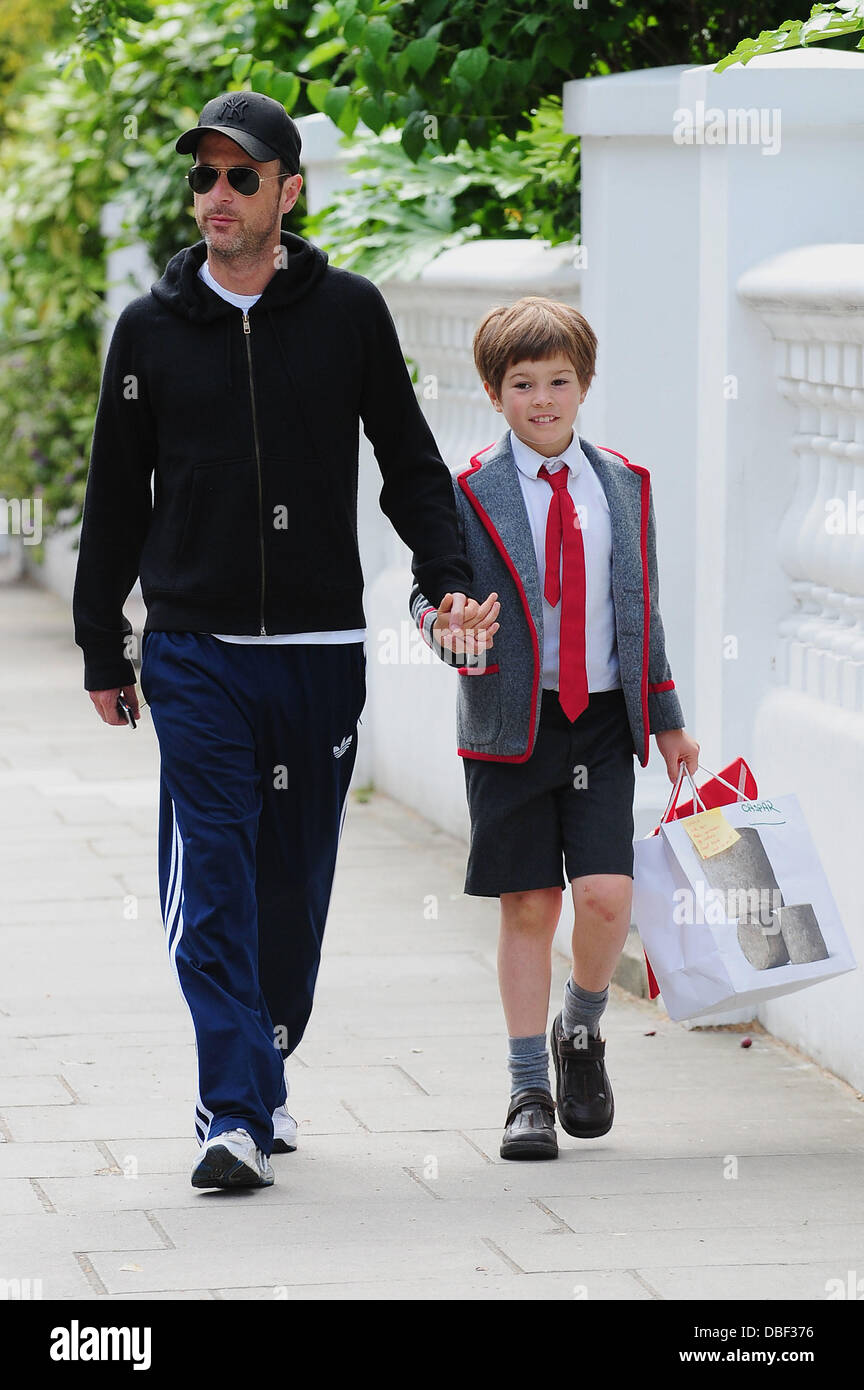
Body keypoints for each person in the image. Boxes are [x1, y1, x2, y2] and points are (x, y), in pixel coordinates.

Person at [72, 91, 498, 1190]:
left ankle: (265, 1054)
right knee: (213, 871)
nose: (216, 195)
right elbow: (116, 494)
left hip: (317, 649)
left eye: (240, 177)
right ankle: (230, 1113)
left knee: (294, 886)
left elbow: (409, 461)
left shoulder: (348, 313)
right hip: (195, 648)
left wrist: (445, 583)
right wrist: (100, 645)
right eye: (204, 176)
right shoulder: (150, 329)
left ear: (287, 193)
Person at [410, 295, 699, 1159]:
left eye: (559, 381)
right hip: (512, 725)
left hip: (604, 720)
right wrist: (444, 629)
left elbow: (639, 611)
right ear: (495, 393)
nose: (543, 399)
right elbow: (430, 594)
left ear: (585, 384)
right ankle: (528, 1087)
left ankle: (583, 1027)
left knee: (608, 896)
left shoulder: (624, 484)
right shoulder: (470, 492)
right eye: (523, 383)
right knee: (529, 903)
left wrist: (671, 717)